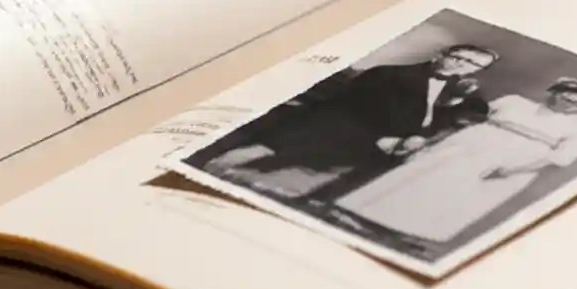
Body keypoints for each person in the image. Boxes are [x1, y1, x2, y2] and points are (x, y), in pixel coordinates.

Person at [191, 44, 499, 200]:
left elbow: (444, 113)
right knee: (261, 153)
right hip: (332, 128)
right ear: (442, 53)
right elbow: (358, 108)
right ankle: (200, 177)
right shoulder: (389, 73)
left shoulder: (452, 89)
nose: (463, 65)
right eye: (460, 57)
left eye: (473, 66)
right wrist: (383, 138)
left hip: (373, 144)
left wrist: (459, 102)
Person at [335, 76, 577, 243]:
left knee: (452, 196)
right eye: (573, 91)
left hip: (506, 166)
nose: (575, 99)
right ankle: (357, 213)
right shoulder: (514, 101)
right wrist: (431, 141)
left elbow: (561, 158)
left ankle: (393, 233)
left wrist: (512, 169)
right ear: (558, 90)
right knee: (419, 180)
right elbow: (462, 119)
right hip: (463, 147)